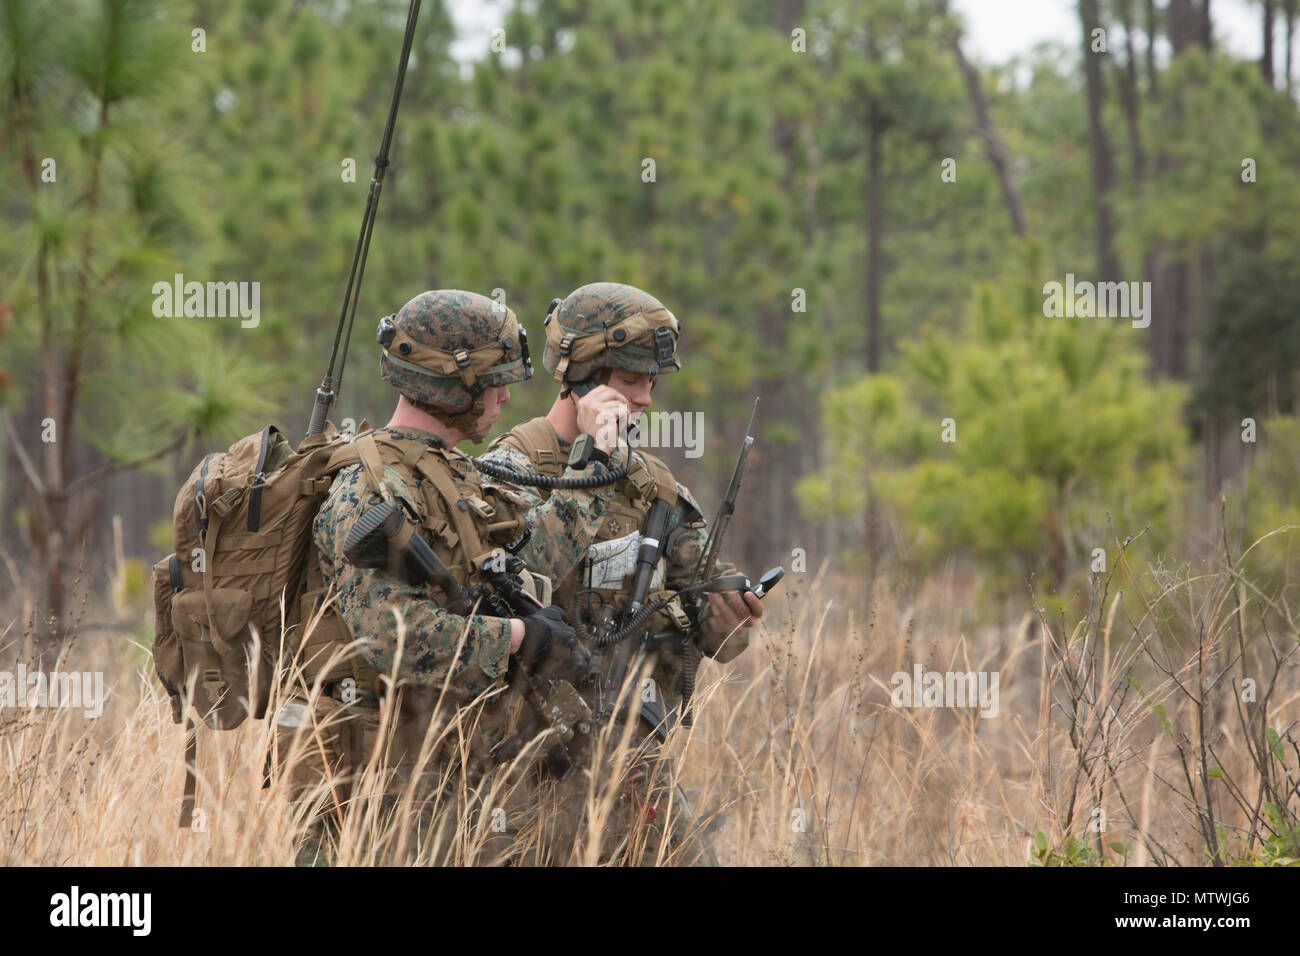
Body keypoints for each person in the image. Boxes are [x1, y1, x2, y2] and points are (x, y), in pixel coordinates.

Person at [280, 289, 597, 865]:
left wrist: (595, 452)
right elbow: (392, 637)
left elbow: (537, 556)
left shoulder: (449, 475)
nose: (504, 395)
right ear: (453, 386)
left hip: (439, 777)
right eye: (493, 380)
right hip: (366, 791)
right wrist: (522, 641)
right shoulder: (372, 488)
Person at [479, 281, 763, 865]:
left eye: (651, 383)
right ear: (582, 376)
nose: (646, 400)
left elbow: (714, 618)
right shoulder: (507, 469)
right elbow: (513, 577)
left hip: (630, 757)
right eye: (631, 382)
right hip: (522, 765)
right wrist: (593, 463)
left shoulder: (650, 484)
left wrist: (729, 611)